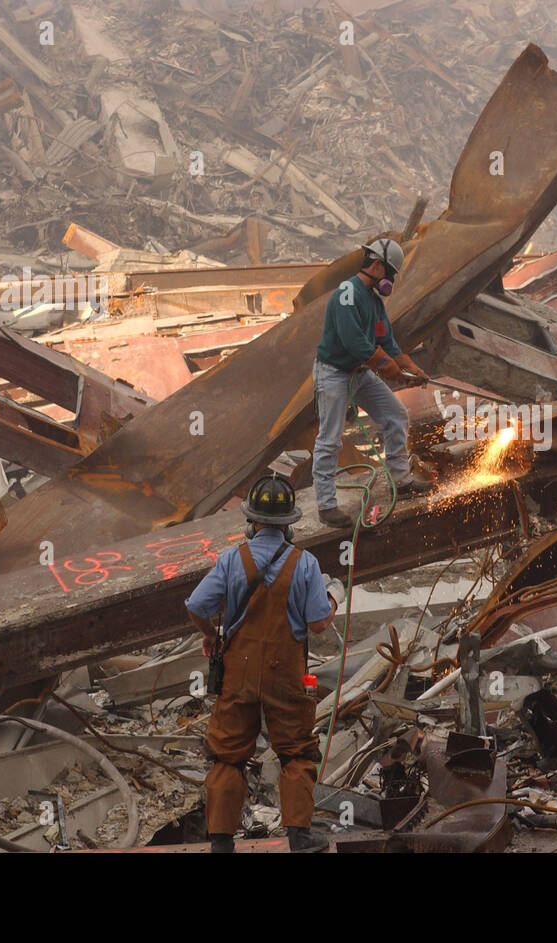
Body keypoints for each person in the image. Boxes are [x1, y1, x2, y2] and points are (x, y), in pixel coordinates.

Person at [185, 474, 345, 853]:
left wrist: (210, 634)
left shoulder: (230, 559)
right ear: (290, 524)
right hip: (285, 674)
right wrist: (335, 596)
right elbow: (318, 622)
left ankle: (222, 842)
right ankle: (300, 838)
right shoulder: (305, 563)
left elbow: (195, 606)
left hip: (237, 672)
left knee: (227, 754)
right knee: (296, 751)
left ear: (251, 521)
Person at [312, 237, 434, 529]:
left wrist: (410, 366)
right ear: (378, 266)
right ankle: (326, 505)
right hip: (334, 372)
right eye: (390, 273)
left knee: (396, 415)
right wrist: (384, 365)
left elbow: (387, 343)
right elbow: (354, 342)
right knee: (330, 438)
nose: (390, 280)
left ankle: (401, 481)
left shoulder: (374, 302)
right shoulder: (346, 294)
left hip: (358, 372)